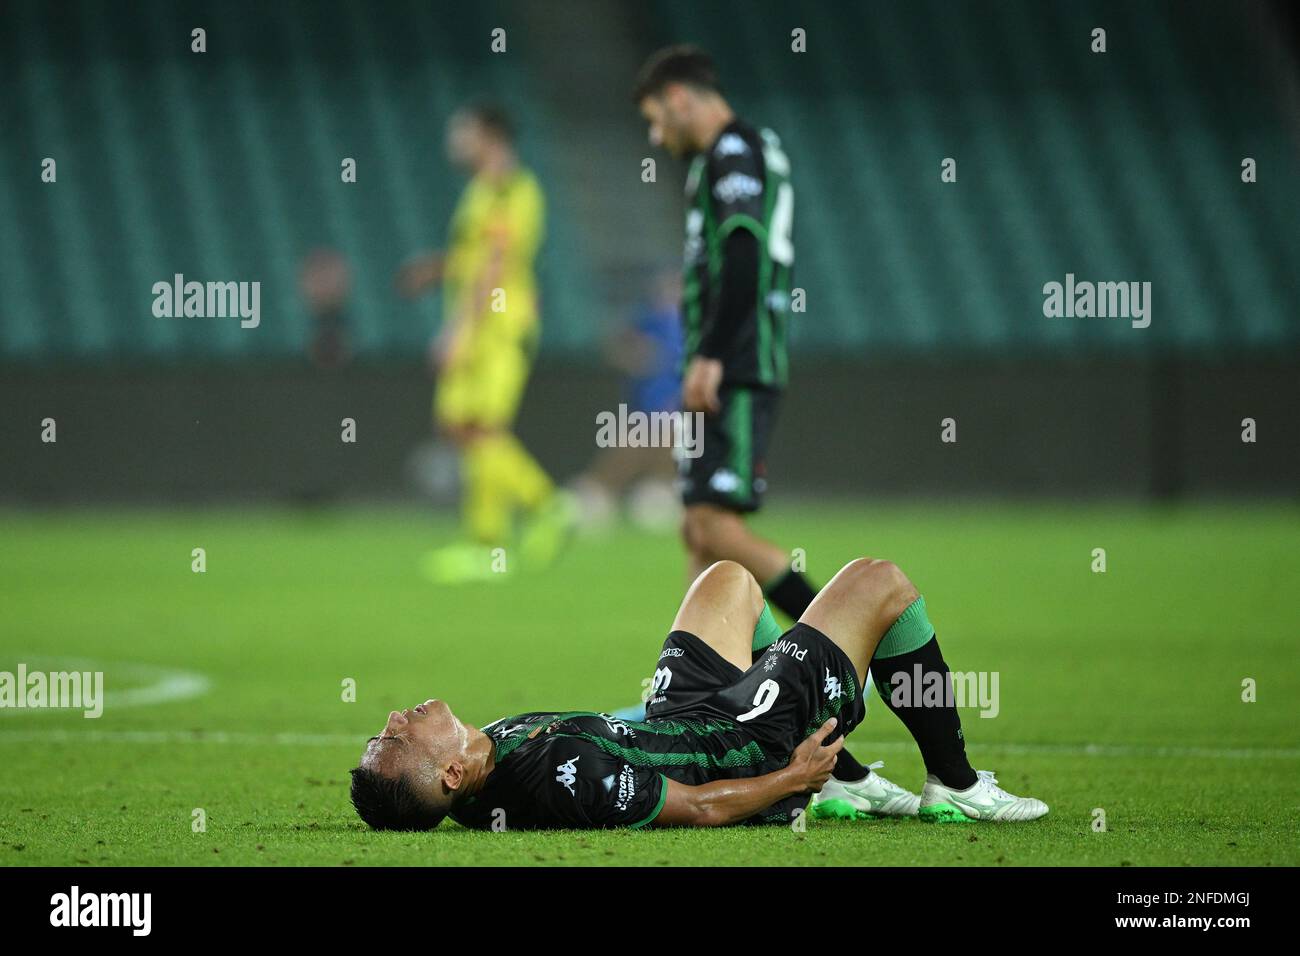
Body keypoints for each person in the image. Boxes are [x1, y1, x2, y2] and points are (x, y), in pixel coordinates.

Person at [633, 45, 908, 815]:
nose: (657, 137)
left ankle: (838, 695)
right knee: (699, 543)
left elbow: (746, 254)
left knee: (717, 531)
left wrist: (714, 355)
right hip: (729, 364)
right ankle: (748, 734)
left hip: (740, 367)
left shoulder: (733, 155)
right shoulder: (730, 157)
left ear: (682, 98)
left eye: (657, 119)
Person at [350, 558, 1048, 830]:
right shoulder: (564, 778)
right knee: (879, 582)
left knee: (729, 581)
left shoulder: (484, 759)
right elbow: (702, 807)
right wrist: (788, 778)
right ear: (446, 772)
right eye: (395, 738)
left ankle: (851, 781)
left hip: (678, 720)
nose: (393, 717)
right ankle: (953, 783)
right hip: (738, 744)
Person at [398, 102, 571, 584]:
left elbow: (496, 264)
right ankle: (488, 545)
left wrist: (458, 330)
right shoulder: (482, 189)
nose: (454, 141)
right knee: (462, 426)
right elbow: (475, 256)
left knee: (482, 427)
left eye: (463, 132)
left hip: (496, 324)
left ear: (491, 136)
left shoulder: (507, 185)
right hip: (483, 321)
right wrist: (436, 270)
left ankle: (546, 507)